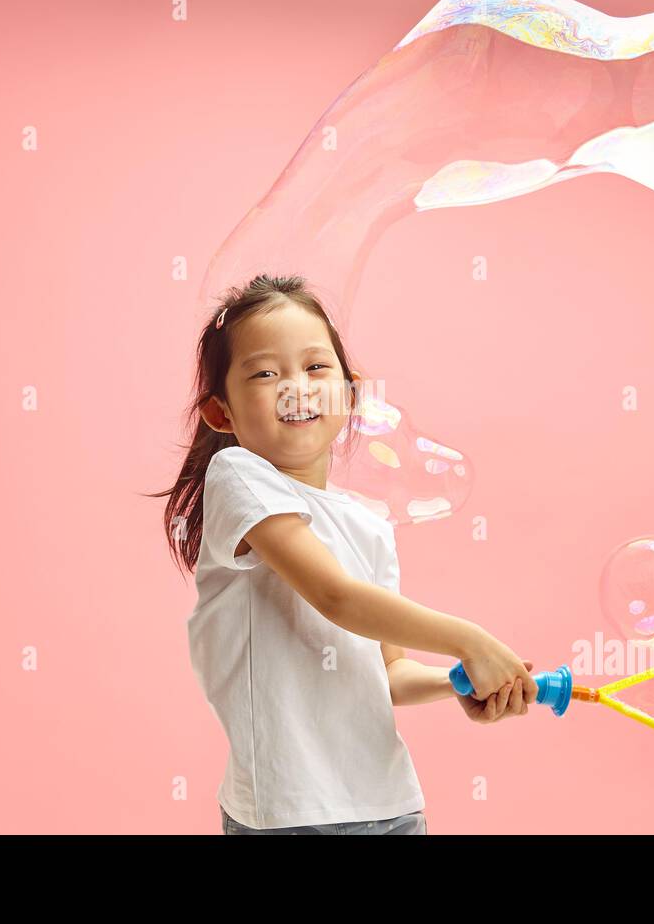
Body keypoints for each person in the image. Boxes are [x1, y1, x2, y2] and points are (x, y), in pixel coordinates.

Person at [154, 273, 538, 834]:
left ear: (350, 390)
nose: (295, 386)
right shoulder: (238, 474)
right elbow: (336, 597)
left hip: (389, 806)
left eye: (315, 367)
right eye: (265, 373)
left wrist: (459, 680)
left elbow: (390, 673)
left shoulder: (368, 525)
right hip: (290, 815)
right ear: (222, 415)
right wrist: (473, 640)